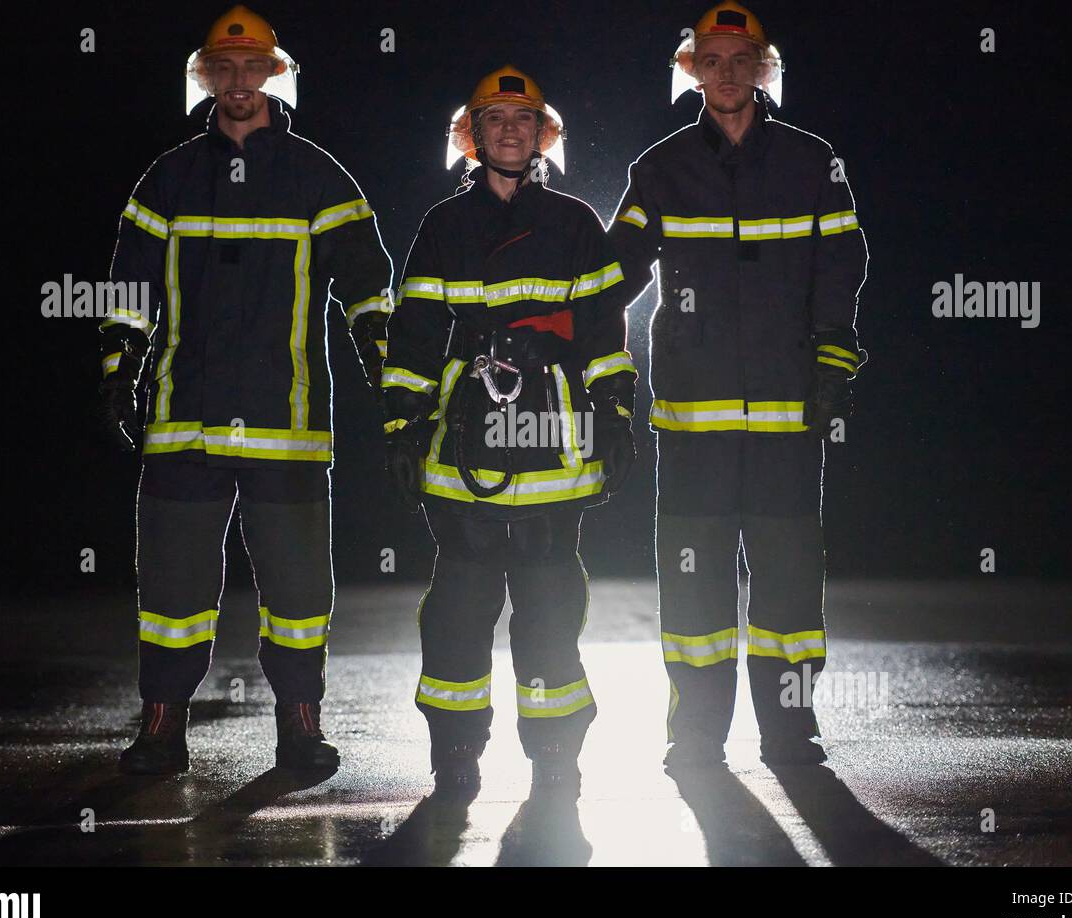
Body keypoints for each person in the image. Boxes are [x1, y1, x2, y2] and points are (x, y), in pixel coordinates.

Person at [96, 5, 393, 777]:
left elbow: (366, 284)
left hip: (284, 425)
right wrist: (116, 368)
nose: (237, 80)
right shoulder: (169, 176)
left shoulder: (317, 174)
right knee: (170, 593)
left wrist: (385, 369)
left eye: (249, 66)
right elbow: (129, 283)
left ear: (272, 72)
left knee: (297, 595)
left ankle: (300, 727)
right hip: (181, 420)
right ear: (207, 79)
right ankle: (161, 729)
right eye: (222, 69)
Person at [607, 1, 868, 771]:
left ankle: (790, 729)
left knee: (789, 581)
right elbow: (610, 276)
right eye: (710, 60)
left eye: (739, 58)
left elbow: (841, 270)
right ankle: (696, 732)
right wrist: (575, 347)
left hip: (789, 414)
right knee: (694, 592)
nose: (725, 73)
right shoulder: (657, 169)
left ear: (763, 67)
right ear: (692, 71)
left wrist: (833, 360)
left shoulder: (813, 161)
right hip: (691, 421)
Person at [382, 66, 637, 795]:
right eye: (493, 118)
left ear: (541, 135)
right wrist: (402, 427)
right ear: (473, 135)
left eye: (521, 119)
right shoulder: (443, 227)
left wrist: (616, 415)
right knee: (460, 601)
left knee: (551, 600)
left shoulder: (576, 224)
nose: (508, 130)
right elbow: (417, 334)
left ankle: (555, 749)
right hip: (464, 433)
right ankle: (455, 749)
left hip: (551, 433)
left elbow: (603, 333)